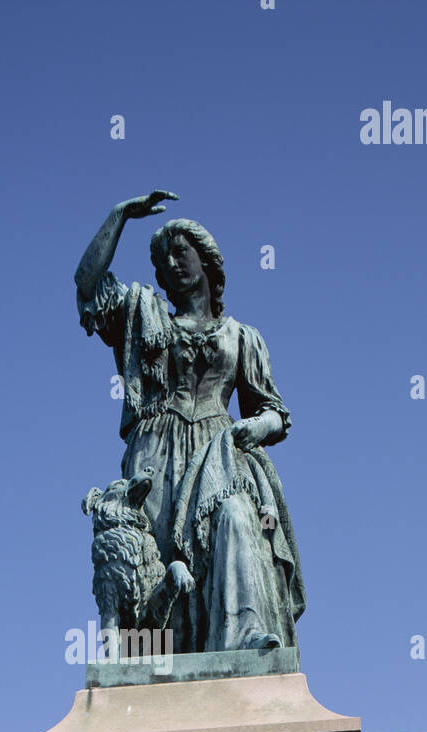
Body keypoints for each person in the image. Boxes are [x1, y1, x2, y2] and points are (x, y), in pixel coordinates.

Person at [75, 192, 306, 655]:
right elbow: (88, 282)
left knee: (237, 520)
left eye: (182, 252)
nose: (172, 262)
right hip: (155, 452)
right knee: (157, 565)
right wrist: (120, 216)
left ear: (207, 260)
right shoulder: (143, 313)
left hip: (221, 451)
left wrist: (257, 428)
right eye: (164, 257)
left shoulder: (242, 337)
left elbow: (275, 412)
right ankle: (150, 662)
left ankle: (244, 636)